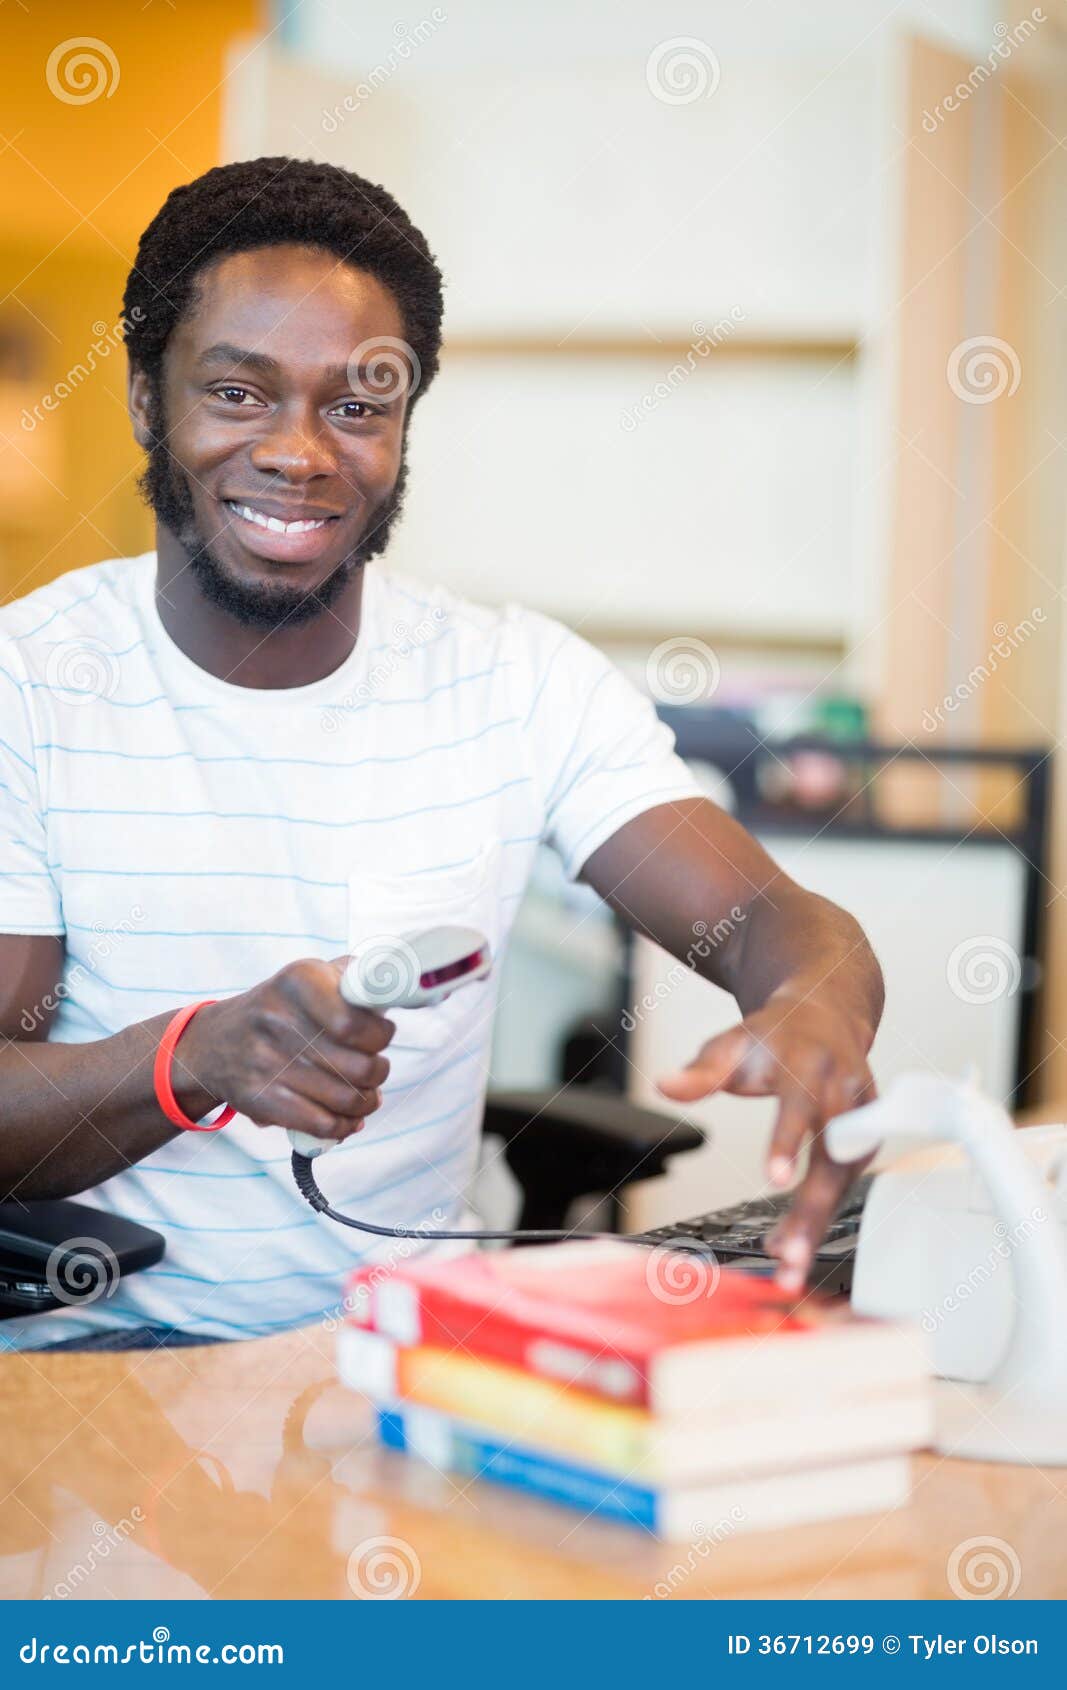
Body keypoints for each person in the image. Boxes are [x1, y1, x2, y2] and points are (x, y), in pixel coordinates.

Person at [0, 158, 882, 1350]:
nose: (301, 451)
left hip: (408, 1358)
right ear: (150, 403)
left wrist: (812, 1002)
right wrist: (191, 1056)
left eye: (355, 405)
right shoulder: (31, 685)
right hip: (99, 1372)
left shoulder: (519, 681)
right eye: (239, 394)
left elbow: (773, 916)